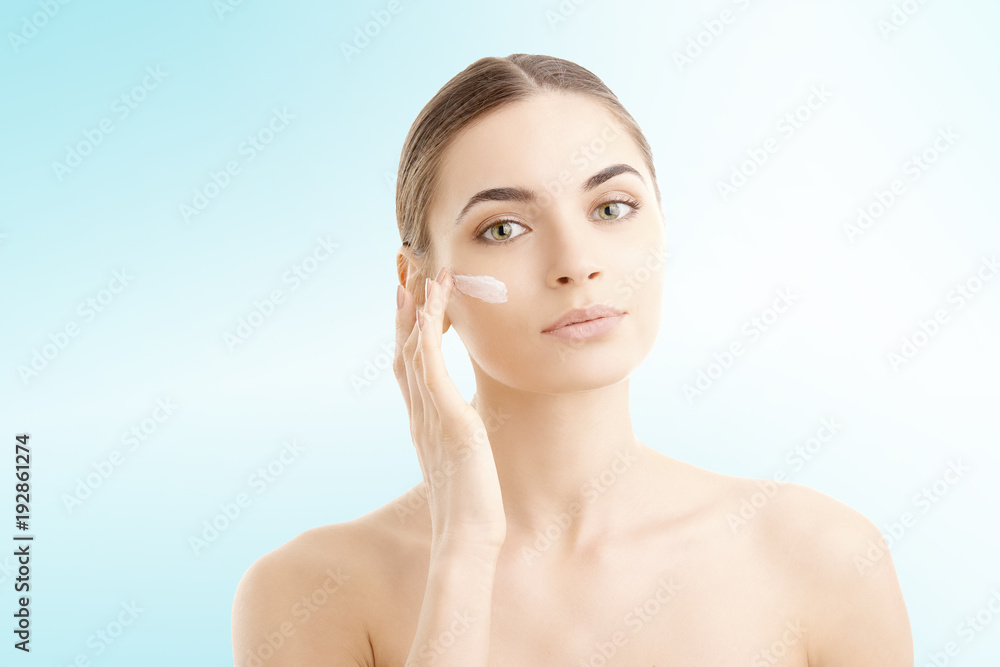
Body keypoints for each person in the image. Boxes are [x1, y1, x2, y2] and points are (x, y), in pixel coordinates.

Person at [231, 53, 913, 666]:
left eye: (612, 208)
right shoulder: (311, 591)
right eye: (504, 228)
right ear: (418, 287)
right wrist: (464, 546)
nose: (577, 263)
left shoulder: (821, 555)